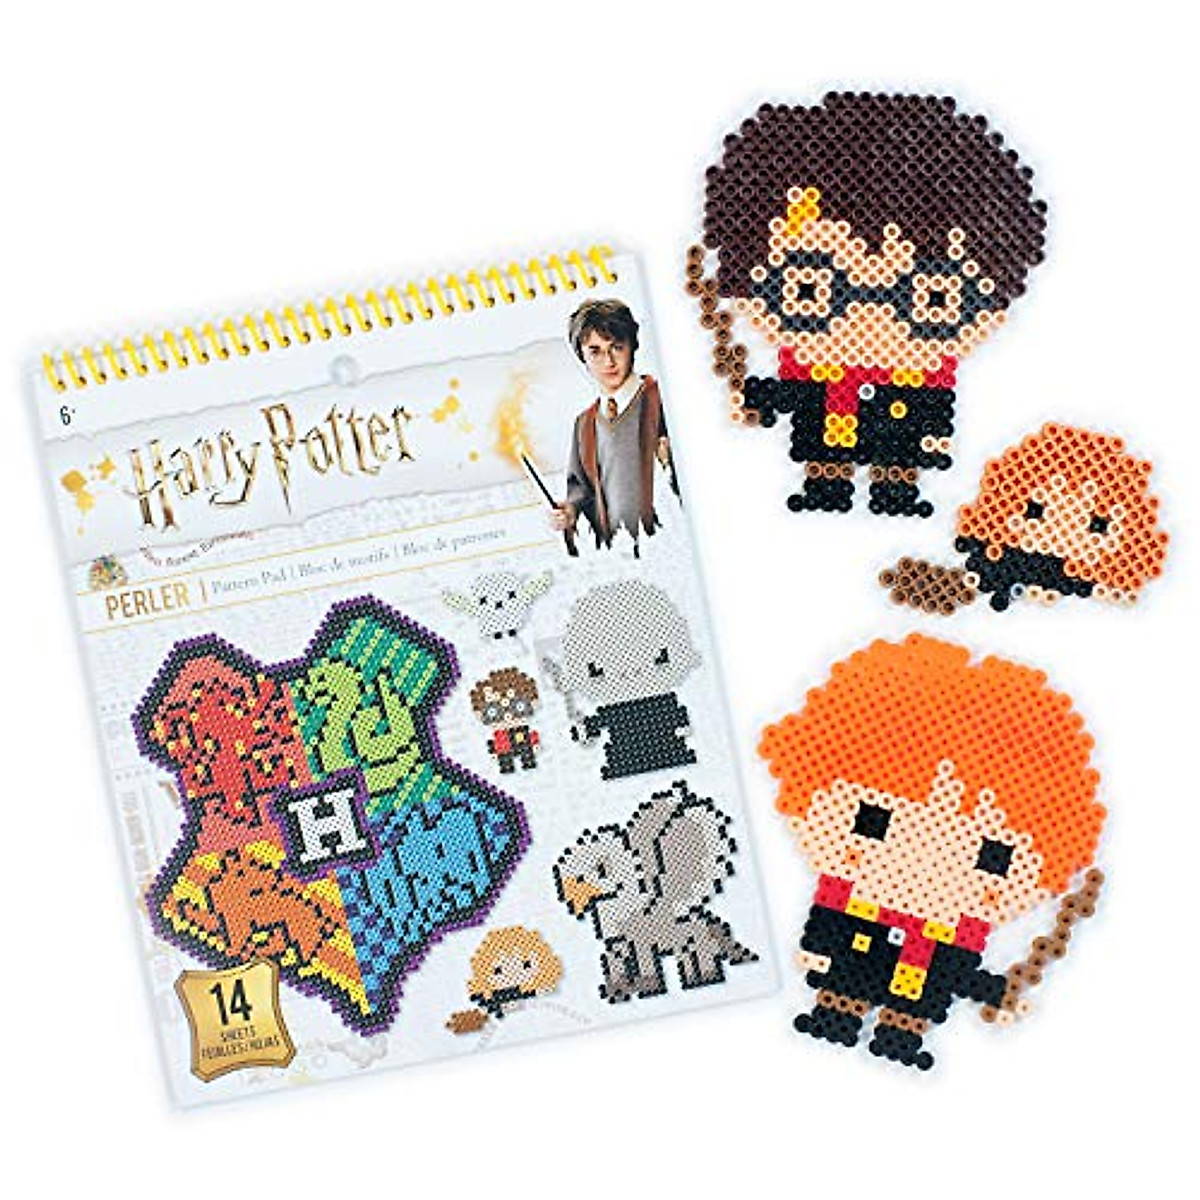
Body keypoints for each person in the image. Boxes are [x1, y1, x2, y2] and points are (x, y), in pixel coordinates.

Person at [552, 299, 676, 551]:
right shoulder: (584, 424)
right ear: (582, 356)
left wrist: (669, 462)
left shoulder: (663, 399)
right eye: (595, 351)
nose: (608, 361)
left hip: (669, 544)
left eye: (617, 347)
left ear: (633, 346)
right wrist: (570, 511)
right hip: (618, 553)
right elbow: (580, 489)